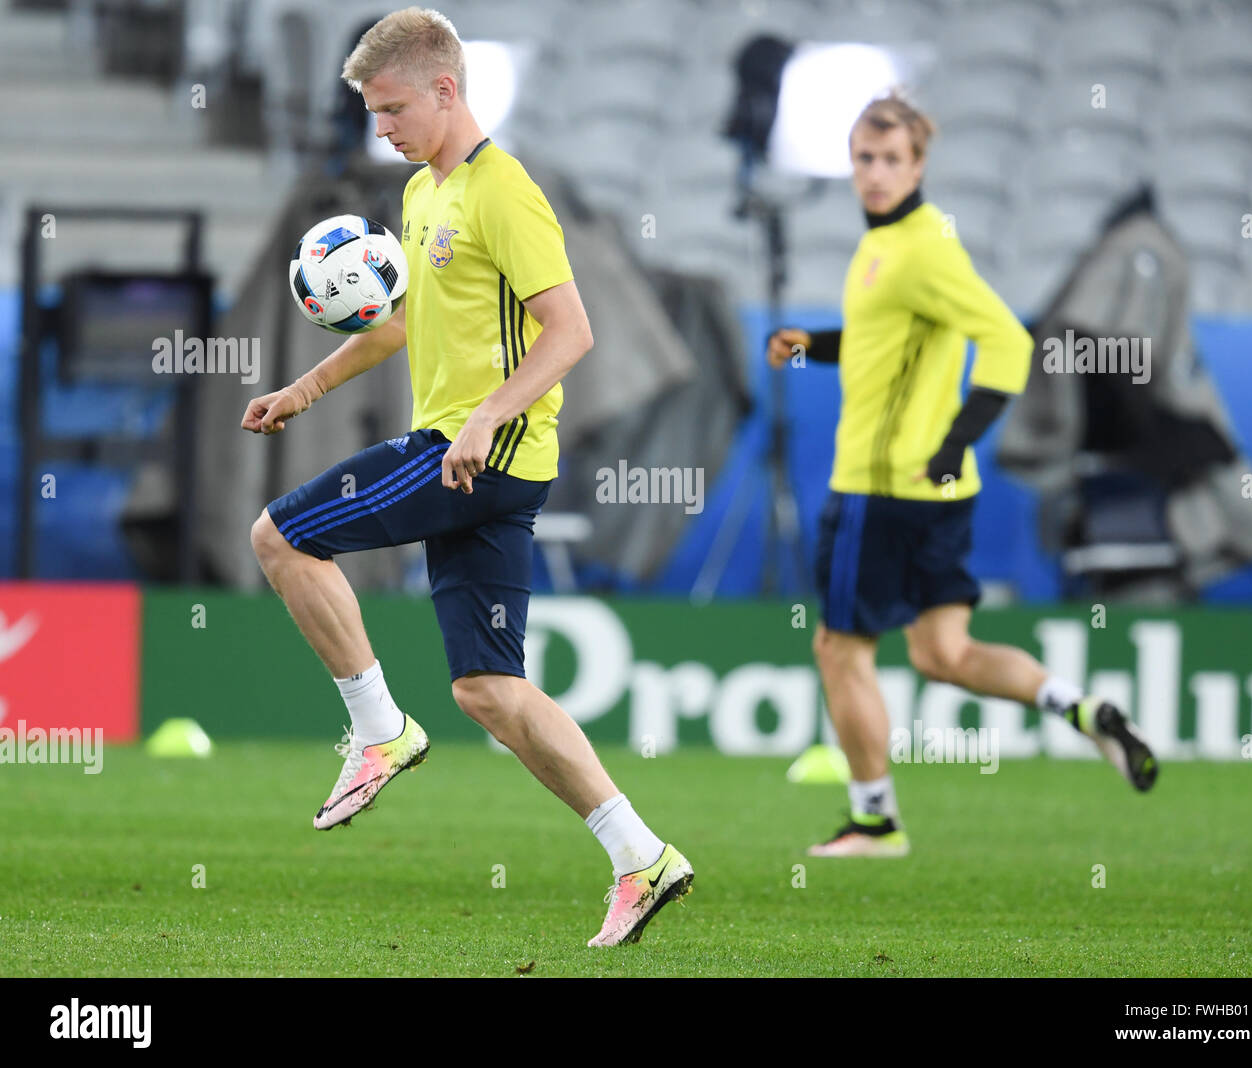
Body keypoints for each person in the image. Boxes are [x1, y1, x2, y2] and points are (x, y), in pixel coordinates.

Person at [242, 7, 691, 944]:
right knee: (490, 691)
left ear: (447, 90)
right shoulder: (421, 194)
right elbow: (404, 324)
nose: (383, 128)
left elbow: (572, 332)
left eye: (395, 107)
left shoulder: (506, 193)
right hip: (473, 457)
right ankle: (641, 856)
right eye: (373, 113)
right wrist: (307, 387)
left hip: (474, 455)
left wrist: (487, 413)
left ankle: (378, 729)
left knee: (280, 536)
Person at [768, 91, 1157, 859]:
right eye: (863, 159)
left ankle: (875, 820)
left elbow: (1009, 341)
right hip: (939, 496)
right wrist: (813, 343)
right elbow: (889, 338)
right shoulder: (891, 245)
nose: (874, 173)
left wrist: (956, 440)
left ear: (919, 165)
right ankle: (1080, 710)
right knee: (943, 654)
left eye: (890, 159)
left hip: (882, 489)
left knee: (840, 652)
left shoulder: (920, 246)